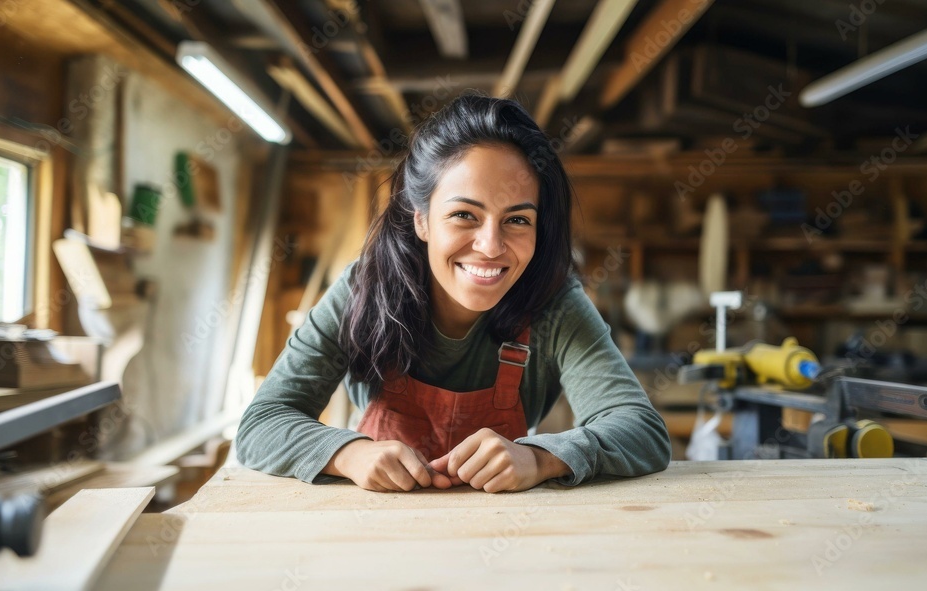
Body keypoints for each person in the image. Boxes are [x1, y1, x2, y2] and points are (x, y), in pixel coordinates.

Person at [234, 93, 671, 493]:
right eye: (464, 214)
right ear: (421, 219)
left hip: (505, 536)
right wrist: (349, 453)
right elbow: (261, 424)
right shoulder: (364, 289)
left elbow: (641, 430)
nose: (491, 246)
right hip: (377, 534)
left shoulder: (554, 301)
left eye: (517, 220)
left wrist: (541, 458)